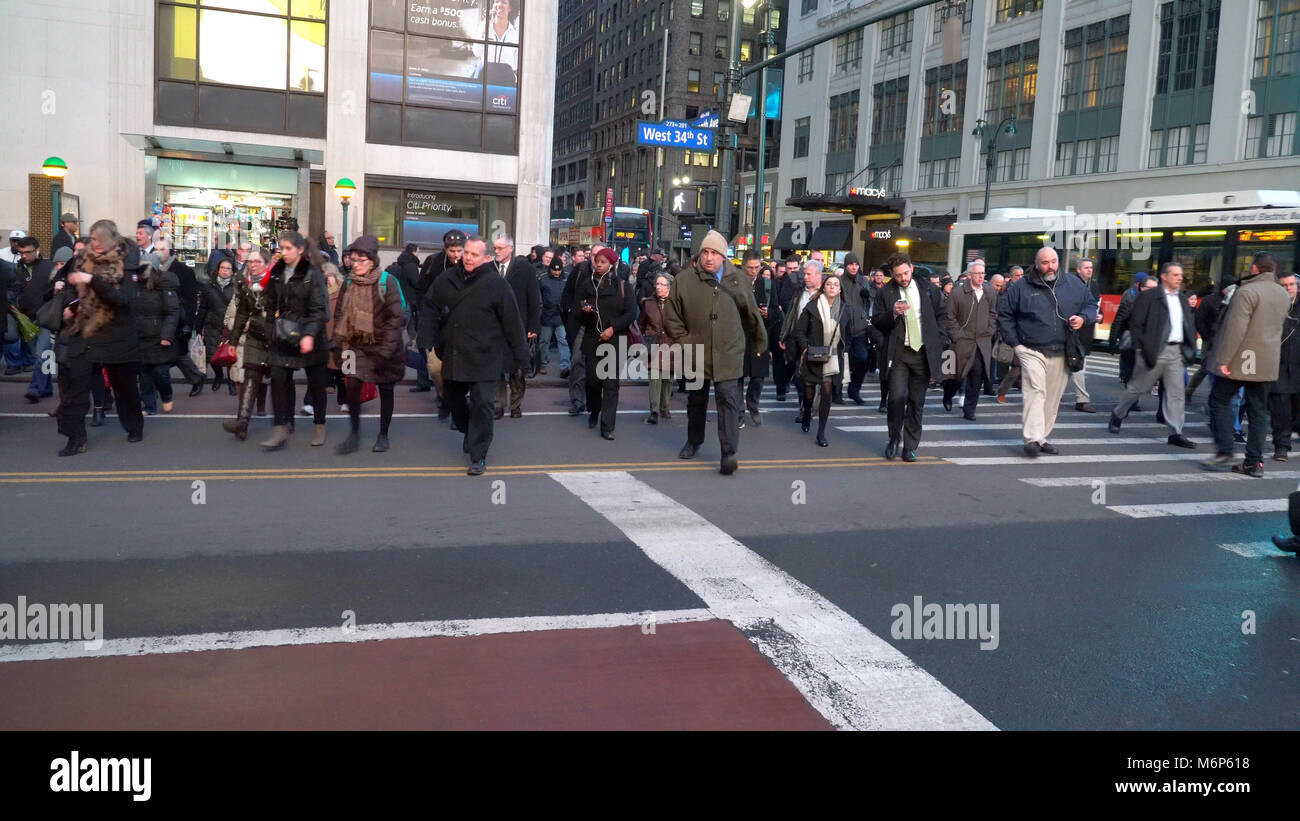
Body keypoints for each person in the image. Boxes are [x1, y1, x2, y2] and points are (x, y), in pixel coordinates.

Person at [417, 236, 530, 475]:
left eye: (474, 254)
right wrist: (426, 338)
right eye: (466, 253)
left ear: (487, 258)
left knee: (483, 405)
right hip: (453, 352)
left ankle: (478, 455)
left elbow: (512, 323)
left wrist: (522, 358)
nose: (467, 257)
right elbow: (429, 306)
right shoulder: (446, 279)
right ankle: (468, 429)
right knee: (453, 401)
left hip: (485, 355)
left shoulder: (497, 285)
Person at [664, 230, 767, 475]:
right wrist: (684, 340)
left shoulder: (738, 280)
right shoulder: (684, 280)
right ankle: (694, 440)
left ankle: (729, 453)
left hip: (729, 352)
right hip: (696, 352)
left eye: (714, 253)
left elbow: (752, 314)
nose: (709, 257)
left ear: (723, 256)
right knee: (696, 401)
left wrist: (760, 343)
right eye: (705, 252)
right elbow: (672, 314)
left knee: (729, 402)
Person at [996, 246, 1098, 458]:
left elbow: (1090, 305)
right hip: (1030, 349)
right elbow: (1005, 314)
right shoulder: (1021, 286)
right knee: (1036, 391)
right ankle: (1032, 439)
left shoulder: (1073, 284)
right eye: (1045, 262)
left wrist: (1083, 318)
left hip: (1062, 349)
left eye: (1053, 261)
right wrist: (1015, 344)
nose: (1050, 266)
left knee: (1052, 398)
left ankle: (1042, 437)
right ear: (1036, 263)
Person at [1201, 253, 1291, 475]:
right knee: (1258, 411)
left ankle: (1225, 450)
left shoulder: (1247, 291)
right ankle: (1254, 462)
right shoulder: (1283, 294)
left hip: (1242, 359)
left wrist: (1223, 359)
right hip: (1267, 360)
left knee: (1219, 400)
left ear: (1254, 268)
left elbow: (1235, 329)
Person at [66, 219, 145, 447]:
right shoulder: (83, 258)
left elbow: (123, 300)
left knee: (125, 389)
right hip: (88, 333)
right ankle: (75, 437)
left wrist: (93, 279)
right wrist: (70, 307)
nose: (97, 244)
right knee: (78, 388)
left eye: (102, 239)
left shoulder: (127, 261)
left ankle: (134, 427)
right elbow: (74, 291)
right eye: (93, 239)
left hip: (119, 334)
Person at [1106, 262, 1198, 449]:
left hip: (1175, 351)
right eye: (1175, 275)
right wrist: (1140, 348)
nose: (1179, 278)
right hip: (1153, 349)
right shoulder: (1148, 297)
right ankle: (1118, 414)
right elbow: (1136, 324)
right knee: (1138, 388)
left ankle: (1175, 432)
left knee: (1176, 393)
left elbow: (1187, 323)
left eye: (1180, 275)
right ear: (1164, 276)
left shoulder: (1181, 298)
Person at [331, 235, 406, 454]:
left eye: (361, 260)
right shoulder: (347, 283)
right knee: (352, 388)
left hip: (383, 346)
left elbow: (396, 318)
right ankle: (354, 434)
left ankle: (383, 434)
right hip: (355, 345)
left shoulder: (387, 281)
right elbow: (340, 315)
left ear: (372, 260)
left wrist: (385, 351)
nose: (356, 265)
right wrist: (337, 344)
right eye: (353, 260)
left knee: (386, 389)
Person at [260, 231, 330, 451]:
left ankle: (319, 424)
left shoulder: (313, 274)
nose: (284, 252)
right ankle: (281, 426)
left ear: (300, 250)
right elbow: (270, 305)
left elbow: (320, 310)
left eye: (288, 248)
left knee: (317, 383)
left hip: (311, 336)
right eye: (282, 248)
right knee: (279, 379)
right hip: (283, 335)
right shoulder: (277, 273)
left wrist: (309, 335)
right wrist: (270, 330)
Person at [873, 253, 946, 462]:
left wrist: (939, 338)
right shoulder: (886, 293)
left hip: (923, 352)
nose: (903, 278)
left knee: (916, 402)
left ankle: (910, 446)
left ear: (912, 269)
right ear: (892, 275)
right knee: (896, 397)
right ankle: (894, 438)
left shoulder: (928, 289)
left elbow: (942, 314)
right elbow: (877, 321)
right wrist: (893, 313)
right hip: (899, 354)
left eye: (906, 273)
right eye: (898, 275)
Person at [574, 246, 637, 439]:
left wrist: (613, 327)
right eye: (597, 261)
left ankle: (607, 426)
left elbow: (630, 313)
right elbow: (577, 311)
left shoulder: (623, 287)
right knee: (593, 381)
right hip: (593, 338)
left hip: (616, 340)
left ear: (611, 264)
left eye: (603, 262)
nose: (599, 265)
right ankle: (594, 409)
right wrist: (585, 312)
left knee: (611, 384)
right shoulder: (587, 285)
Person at [222, 248, 273, 440]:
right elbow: (242, 312)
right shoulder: (245, 284)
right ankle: (242, 423)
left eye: (257, 261)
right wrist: (233, 341)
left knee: (280, 380)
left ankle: (284, 422)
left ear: (266, 264)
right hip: (255, 338)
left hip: (275, 338)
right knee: (250, 376)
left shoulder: (276, 282)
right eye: (250, 262)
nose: (252, 265)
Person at [792, 274, 848, 447]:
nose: (832, 287)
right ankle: (807, 412)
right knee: (809, 392)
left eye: (835, 285)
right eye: (829, 284)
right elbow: (799, 331)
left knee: (826, 391)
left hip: (832, 356)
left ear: (839, 290)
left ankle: (821, 433)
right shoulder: (812, 307)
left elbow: (849, 333)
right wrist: (806, 348)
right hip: (813, 355)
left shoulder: (844, 309)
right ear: (823, 287)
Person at [416, 230, 467, 414]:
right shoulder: (433, 262)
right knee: (436, 368)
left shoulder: (469, 264)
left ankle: (454, 404)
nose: (456, 255)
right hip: (438, 324)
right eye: (452, 251)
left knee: (458, 368)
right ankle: (443, 395)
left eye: (459, 250)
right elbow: (421, 290)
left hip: (462, 325)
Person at [491, 235, 540, 419]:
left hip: (520, 326)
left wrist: (534, 326)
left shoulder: (525, 269)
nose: (496, 251)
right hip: (496, 328)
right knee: (497, 368)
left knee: (517, 370)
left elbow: (534, 299)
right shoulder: (490, 268)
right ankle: (498, 404)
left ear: (510, 248)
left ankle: (516, 404)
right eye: (494, 248)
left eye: (500, 248)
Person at [943, 260, 997, 421]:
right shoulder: (958, 293)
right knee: (957, 375)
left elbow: (993, 313)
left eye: (983, 273)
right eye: (977, 273)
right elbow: (949, 317)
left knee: (977, 376)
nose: (981, 277)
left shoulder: (989, 291)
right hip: (963, 341)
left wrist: (990, 330)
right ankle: (948, 394)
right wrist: (956, 335)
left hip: (982, 342)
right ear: (969, 275)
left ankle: (969, 409)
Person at [132, 254, 181, 416]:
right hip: (140, 336)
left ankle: (166, 395)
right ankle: (148, 405)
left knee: (161, 372)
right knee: (144, 374)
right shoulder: (136, 285)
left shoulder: (163, 286)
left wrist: (167, 336)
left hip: (159, 336)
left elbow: (172, 312)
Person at [779, 262, 825, 424]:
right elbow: (791, 313)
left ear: (819, 275)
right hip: (797, 339)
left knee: (814, 378)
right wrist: (784, 335)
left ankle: (812, 404)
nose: (804, 277)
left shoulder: (826, 293)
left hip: (818, 342)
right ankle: (804, 407)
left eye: (808, 274)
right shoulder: (799, 292)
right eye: (804, 274)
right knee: (799, 377)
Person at [12, 237, 55, 402]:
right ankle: (46, 388)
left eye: (28, 252)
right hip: (26, 320)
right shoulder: (18, 268)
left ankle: (34, 388)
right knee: (41, 356)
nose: (24, 256)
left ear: (37, 250)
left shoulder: (49, 267)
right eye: (21, 252)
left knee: (41, 355)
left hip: (45, 318)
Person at [839, 252, 879, 406]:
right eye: (851, 264)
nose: (854, 267)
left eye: (856, 264)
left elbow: (868, 304)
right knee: (842, 362)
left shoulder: (863, 281)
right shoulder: (840, 281)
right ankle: (837, 392)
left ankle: (854, 389)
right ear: (846, 265)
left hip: (861, 328)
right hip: (844, 328)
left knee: (862, 360)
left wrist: (867, 296)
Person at [740, 251, 774, 426]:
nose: (754, 271)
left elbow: (776, 310)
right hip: (740, 335)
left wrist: (769, 313)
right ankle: (738, 410)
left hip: (760, 335)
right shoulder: (736, 283)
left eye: (756, 267)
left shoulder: (766, 284)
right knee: (738, 375)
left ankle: (753, 403)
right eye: (750, 268)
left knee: (758, 376)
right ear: (743, 267)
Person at [1269, 272, 1300, 461]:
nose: (1288, 288)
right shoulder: (1272, 306)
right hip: (1278, 365)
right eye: (1284, 285)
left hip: (1298, 365)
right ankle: (1281, 445)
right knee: (1280, 410)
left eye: (1291, 284)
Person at [196, 256, 236, 395]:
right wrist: (198, 328)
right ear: (218, 270)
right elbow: (203, 308)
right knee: (213, 356)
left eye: (228, 268)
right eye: (222, 268)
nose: (225, 271)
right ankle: (218, 376)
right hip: (212, 324)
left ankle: (232, 381)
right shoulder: (209, 286)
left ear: (232, 271)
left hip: (230, 326)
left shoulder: (237, 286)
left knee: (231, 356)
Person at [639, 272, 676, 424]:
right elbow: (640, 324)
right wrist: (644, 338)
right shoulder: (648, 303)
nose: (659, 287)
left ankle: (664, 407)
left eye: (662, 284)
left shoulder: (676, 303)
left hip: (671, 344)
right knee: (655, 378)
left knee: (668, 379)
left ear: (669, 287)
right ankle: (654, 410)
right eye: (657, 284)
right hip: (654, 344)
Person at [537, 255, 569, 375]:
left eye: (559, 270)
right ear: (550, 269)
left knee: (563, 341)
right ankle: (543, 363)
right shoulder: (542, 278)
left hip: (561, 316)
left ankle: (565, 366)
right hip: (547, 315)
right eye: (554, 270)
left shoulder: (567, 277)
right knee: (544, 341)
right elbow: (538, 296)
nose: (557, 272)